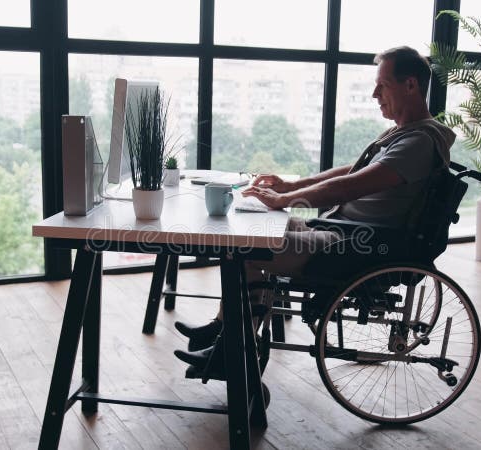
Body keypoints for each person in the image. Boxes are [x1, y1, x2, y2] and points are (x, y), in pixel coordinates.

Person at [173, 46, 456, 374]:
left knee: (249, 250)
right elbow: (352, 171)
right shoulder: (404, 134)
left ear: (410, 85)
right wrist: (290, 187)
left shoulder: (418, 143)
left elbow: (352, 185)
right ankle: (224, 332)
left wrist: (285, 200)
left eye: (383, 85)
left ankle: (231, 354)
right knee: (258, 226)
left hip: (356, 245)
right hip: (343, 233)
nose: (374, 94)